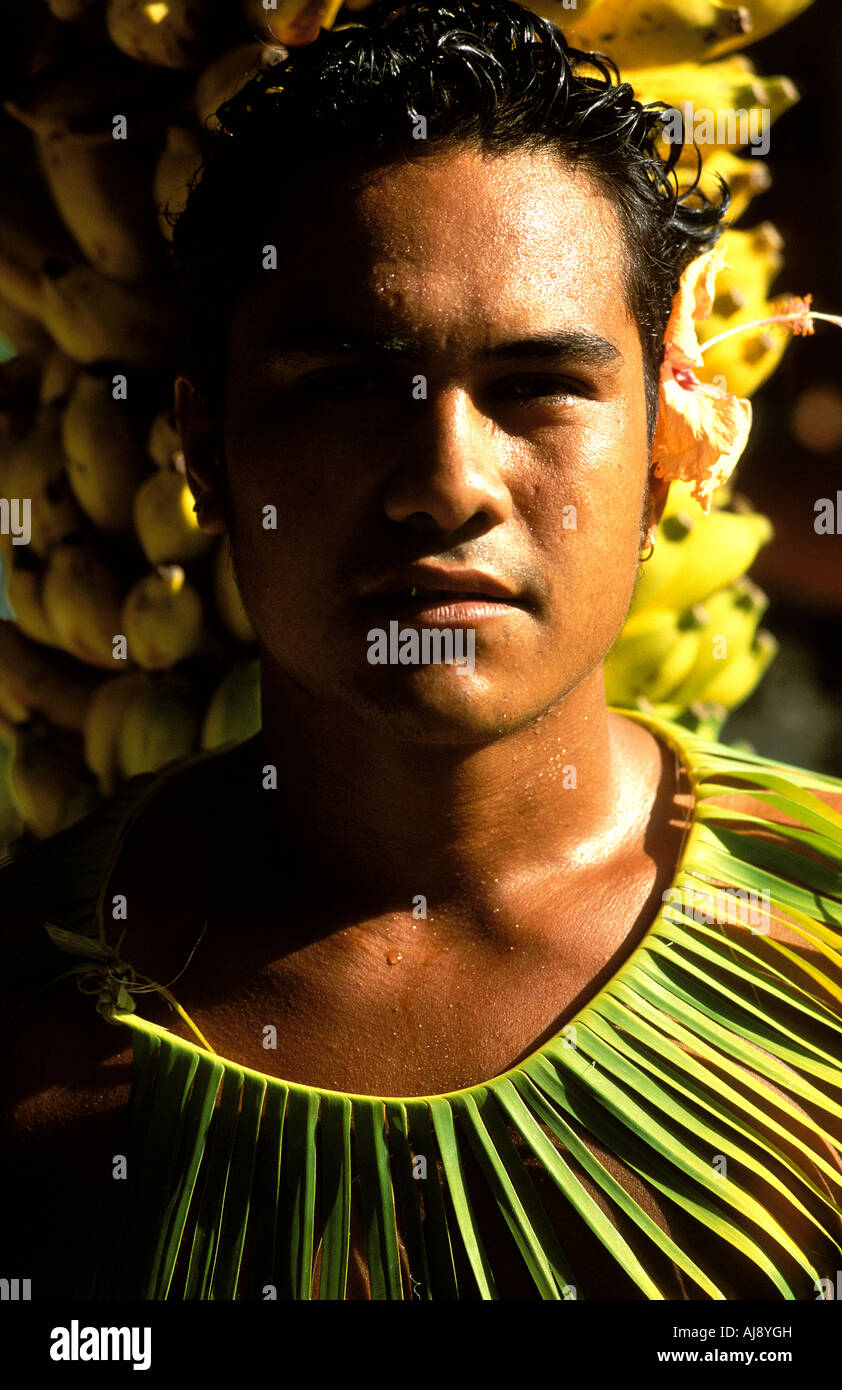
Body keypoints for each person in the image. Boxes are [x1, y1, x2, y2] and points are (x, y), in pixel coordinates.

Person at [2, 0, 841, 1303]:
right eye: (347, 384)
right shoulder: (26, 1026)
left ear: (675, 431)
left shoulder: (823, 939)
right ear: (201, 450)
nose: (447, 483)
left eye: (538, 385)